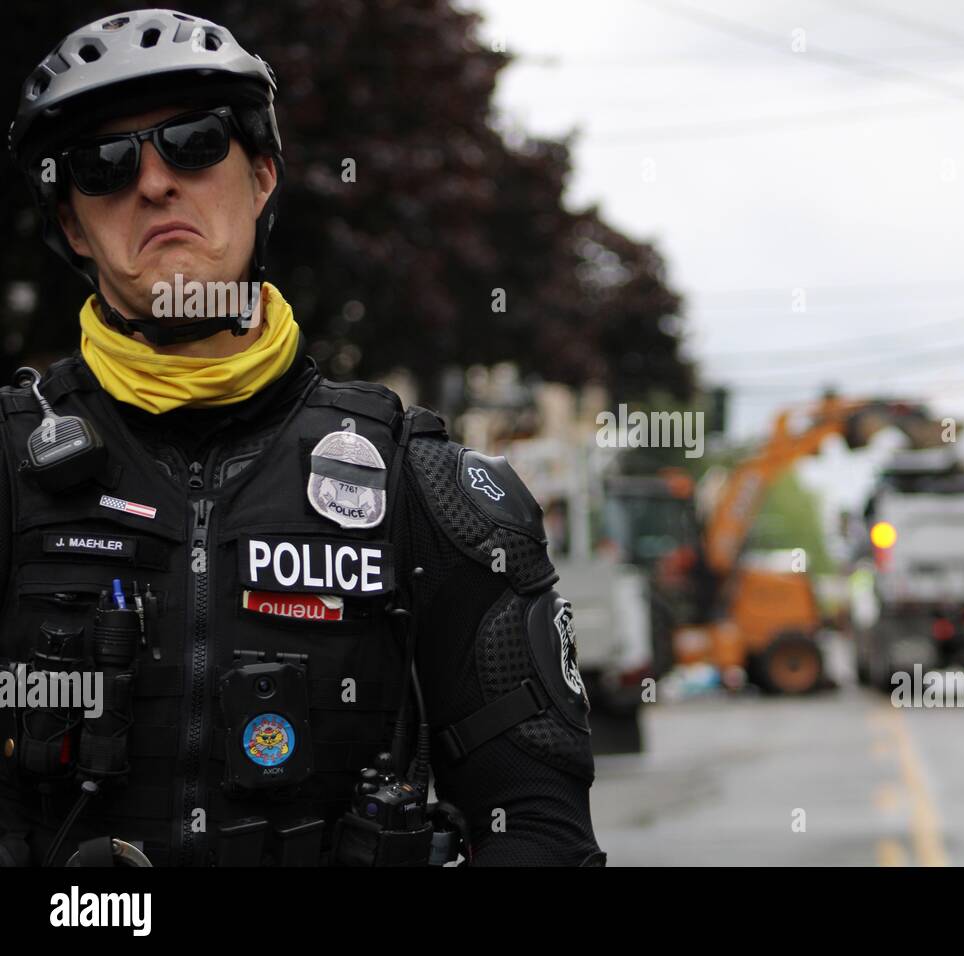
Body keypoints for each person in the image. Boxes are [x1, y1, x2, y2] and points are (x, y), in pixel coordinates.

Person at [0, 8, 604, 867]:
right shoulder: (9, 465)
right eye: (103, 165)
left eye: (196, 142)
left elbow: (540, 829)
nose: (155, 183)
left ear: (263, 177)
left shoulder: (428, 490)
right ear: (73, 228)